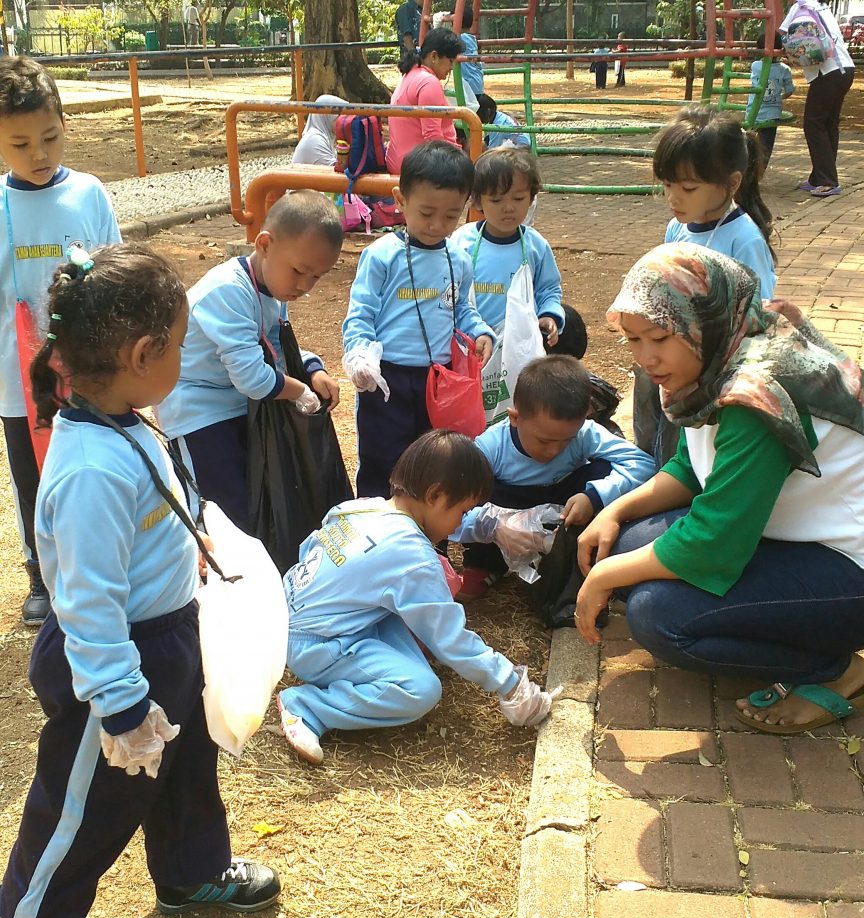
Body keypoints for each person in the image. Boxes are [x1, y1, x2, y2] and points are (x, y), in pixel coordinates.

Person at [0, 245, 281, 918]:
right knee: (87, 797)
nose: (182, 358)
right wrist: (122, 708)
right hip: (115, 664)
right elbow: (89, 607)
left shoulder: (125, 415)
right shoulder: (89, 469)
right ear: (142, 352)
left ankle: (191, 872)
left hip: (167, 637)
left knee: (187, 768)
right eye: (180, 346)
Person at [574, 244, 864, 735]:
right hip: (801, 537)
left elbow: (712, 540)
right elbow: (692, 466)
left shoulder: (755, 395)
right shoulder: (714, 354)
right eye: (633, 341)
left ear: (702, 321)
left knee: (658, 617)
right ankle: (762, 632)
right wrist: (615, 512)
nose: (646, 358)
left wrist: (604, 578)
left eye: (659, 336)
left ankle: (832, 671)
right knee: (621, 546)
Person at [277, 430, 556, 764]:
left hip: (289, 613)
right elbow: (449, 638)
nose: (458, 524)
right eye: (463, 511)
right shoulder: (411, 554)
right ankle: (307, 707)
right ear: (436, 495)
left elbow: (310, 547)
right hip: (317, 644)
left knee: (424, 606)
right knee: (420, 690)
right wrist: (510, 682)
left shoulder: (358, 508)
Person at [0, 55, 121, 627]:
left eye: (49, 137)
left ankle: (102, 563)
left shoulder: (90, 193)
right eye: (20, 145)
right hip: (17, 378)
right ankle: (41, 575)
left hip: (89, 368)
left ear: (65, 124)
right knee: (35, 480)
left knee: (95, 464)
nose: (39, 155)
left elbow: (116, 267)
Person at [155, 190, 343, 532]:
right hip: (197, 413)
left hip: (237, 406)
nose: (305, 286)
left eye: (317, 276)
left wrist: (313, 368)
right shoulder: (228, 291)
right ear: (265, 245)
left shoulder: (273, 286)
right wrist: (300, 391)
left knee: (254, 502)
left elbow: (273, 349)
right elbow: (253, 378)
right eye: (300, 271)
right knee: (221, 512)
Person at [342, 141, 495, 498]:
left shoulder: (458, 260)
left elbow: (462, 311)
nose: (437, 225)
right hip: (387, 379)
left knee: (433, 463)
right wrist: (360, 355)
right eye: (427, 213)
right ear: (401, 199)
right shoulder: (382, 256)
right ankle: (377, 534)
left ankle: (429, 541)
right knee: (383, 460)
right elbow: (361, 313)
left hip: (436, 380)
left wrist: (480, 331)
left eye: (450, 215)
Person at [639, 104, 776, 467]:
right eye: (667, 185)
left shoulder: (743, 238)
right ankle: (645, 468)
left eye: (687, 187)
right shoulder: (677, 228)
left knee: (683, 444)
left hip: (711, 372)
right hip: (671, 356)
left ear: (731, 182)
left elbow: (756, 314)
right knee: (649, 411)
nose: (673, 198)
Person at [454, 355, 656, 599]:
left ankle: (574, 559)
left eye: (566, 441)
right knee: (478, 491)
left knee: (602, 469)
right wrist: (493, 525)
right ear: (515, 418)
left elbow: (643, 464)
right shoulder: (490, 447)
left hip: (563, 511)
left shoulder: (584, 434)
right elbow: (451, 507)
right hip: (508, 514)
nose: (553, 451)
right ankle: (485, 564)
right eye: (544, 441)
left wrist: (593, 497)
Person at [451, 147, 563, 353]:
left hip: (519, 346)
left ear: (531, 198)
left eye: (518, 198)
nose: (508, 207)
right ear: (477, 201)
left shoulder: (535, 246)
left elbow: (548, 289)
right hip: (470, 343)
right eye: (496, 200)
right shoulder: (461, 242)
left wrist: (549, 314)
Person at [782, 0, 855, 198]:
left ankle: (827, 181)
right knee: (828, 124)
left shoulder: (799, 7)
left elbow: (780, 35)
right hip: (845, 69)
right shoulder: (821, 7)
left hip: (827, 72)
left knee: (813, 124)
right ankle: (819, 177)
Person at [386, 27, 464, 176]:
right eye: (450, 61)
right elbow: (432, 136)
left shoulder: (411, 74)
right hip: (421, 167)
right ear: (434, 56)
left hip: (403, 161)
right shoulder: (428, 82)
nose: (451, 68)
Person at [748, 32, 795, 166]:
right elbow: (789, 91)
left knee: (750, 141)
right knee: (766, 146)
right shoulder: (784, 69)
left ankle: (749, 168)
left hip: (754, 111)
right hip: (773, 114)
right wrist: (778, 98)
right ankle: (761, 171)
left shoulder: (756, 66)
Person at [291, 93, 348, 167]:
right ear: (328, 117)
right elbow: (336, 171)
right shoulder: (314, 140)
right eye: (340, 117)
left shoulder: (323, 137)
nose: (344, 122)